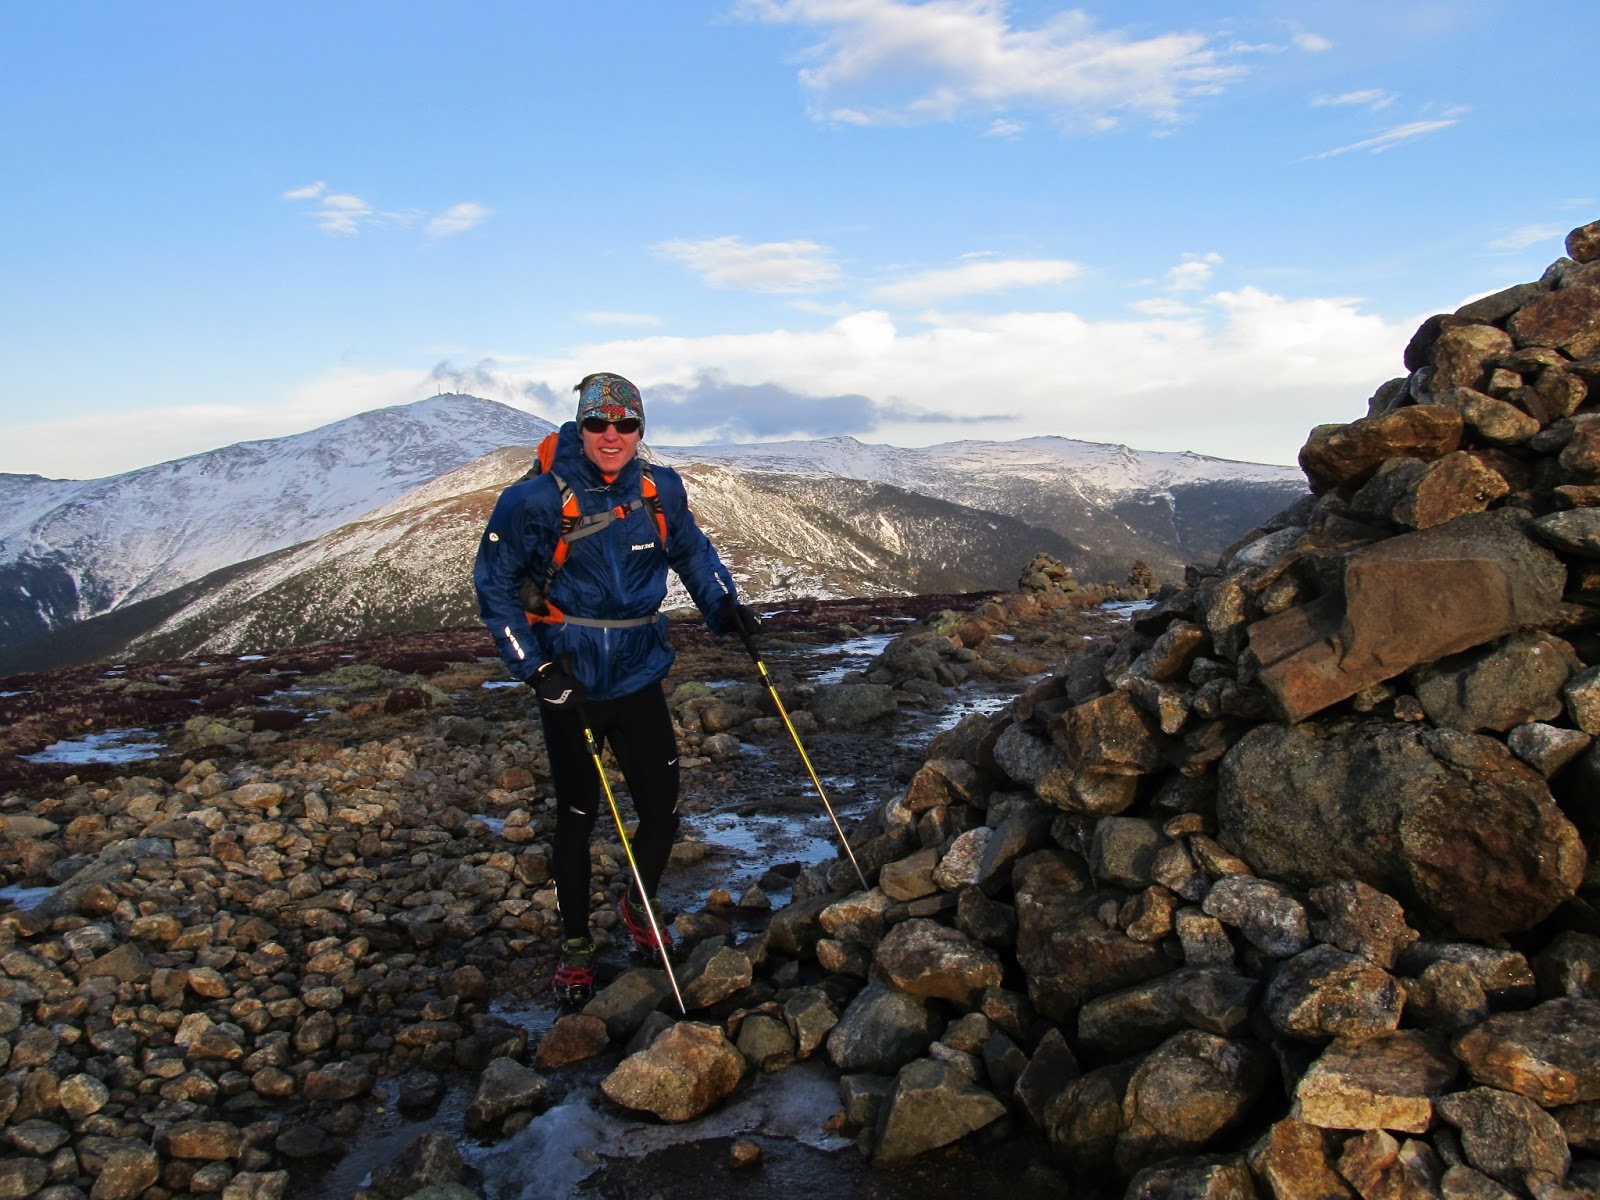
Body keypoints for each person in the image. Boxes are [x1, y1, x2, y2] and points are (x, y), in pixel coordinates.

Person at [472, 372, 759, 1004]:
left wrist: (723, 608)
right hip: (569, 682)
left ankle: (638, 909)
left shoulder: (660, 490)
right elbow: (493, 589)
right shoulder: (537, 500)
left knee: (662, 812)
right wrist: (536, 670)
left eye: (625, 424)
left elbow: (692, 553)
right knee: (577, 817)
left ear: (640, 429)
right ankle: (575, 948)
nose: (611, 436)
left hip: (639, 674)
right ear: (580, 427)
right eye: (598, 424)